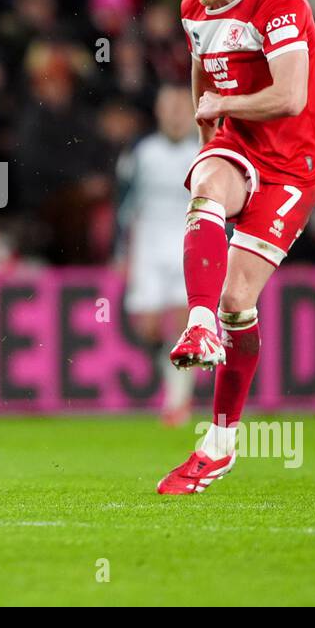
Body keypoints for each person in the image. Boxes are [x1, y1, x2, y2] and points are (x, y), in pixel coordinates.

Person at [157, 0, 315, 495]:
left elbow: (290, 97)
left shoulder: (280, 2)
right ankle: (198, 326)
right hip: (237, 147)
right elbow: (201, 69)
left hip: (291, 167)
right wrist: (211, 132)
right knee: (204, 187)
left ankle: (221, 443)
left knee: (237, 298)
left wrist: (221, 106)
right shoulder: (191, 8)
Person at [116, 83, 200, 425]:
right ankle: (173, 383)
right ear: (159, 111)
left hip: (188, 239)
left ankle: (178, 400)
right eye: (170, 106)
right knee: (148, 327)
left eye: (182, 106)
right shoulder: (140, 152)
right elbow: (123, 204)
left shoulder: (204, 148)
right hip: (149, 242)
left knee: (181, 322)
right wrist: (119, 250)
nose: (176, 113)